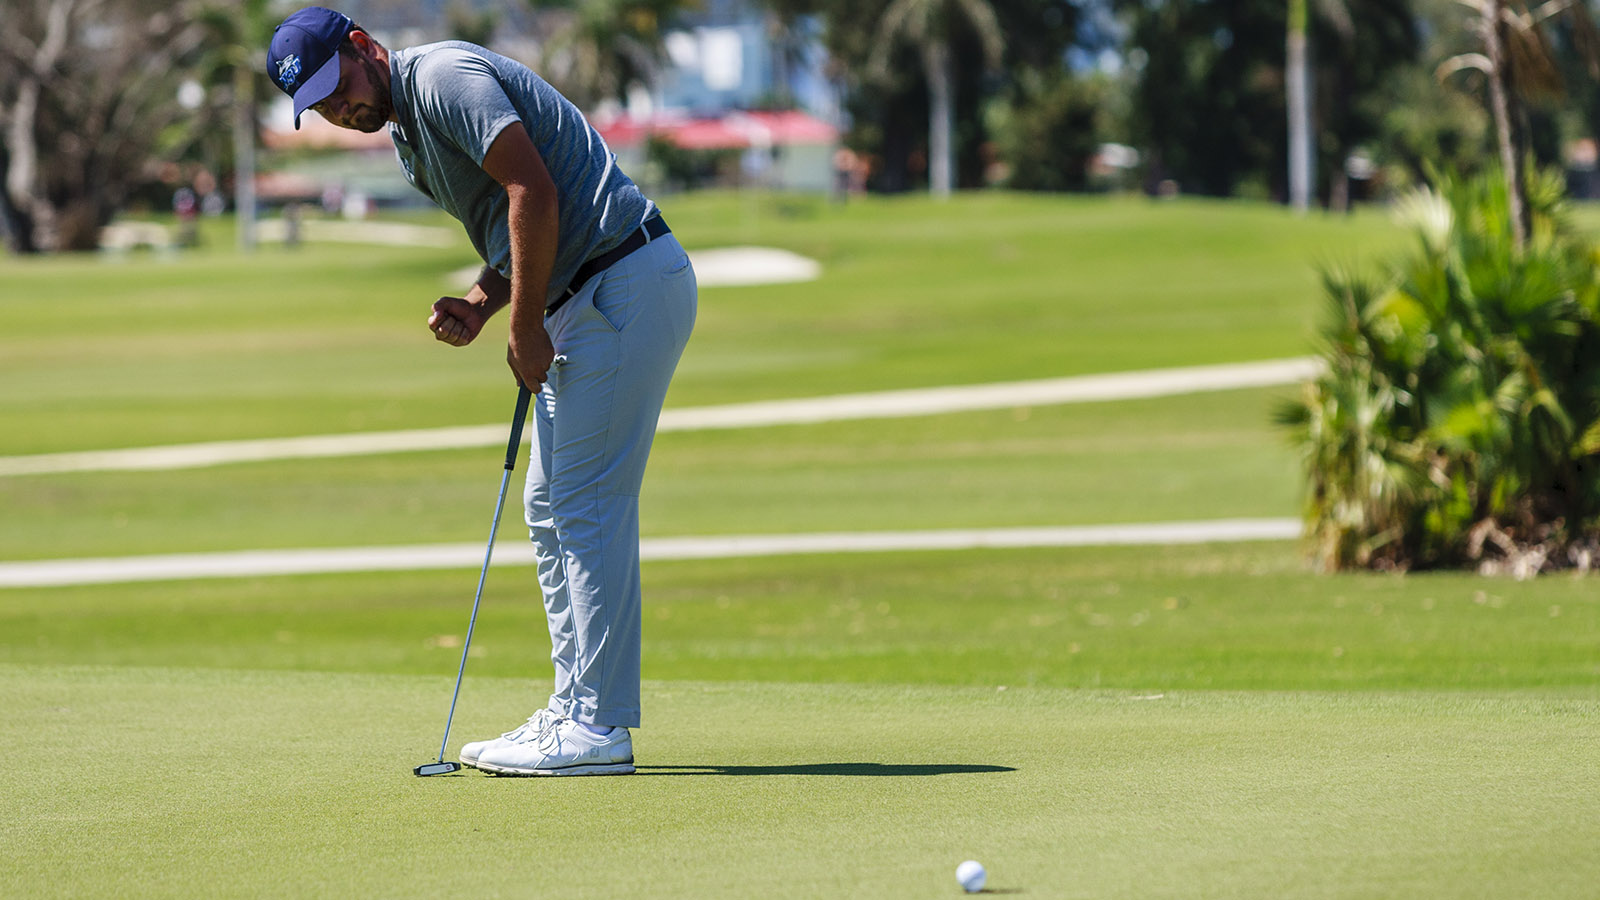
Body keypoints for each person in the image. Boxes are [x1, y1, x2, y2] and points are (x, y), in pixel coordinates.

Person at [267, 7, 697, 776]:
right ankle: (574, 706)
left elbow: (534, 189)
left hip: (619, 281)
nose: (340, 109)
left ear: (364, 46)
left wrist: (524, 327)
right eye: (322, 106)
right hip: (590, 292)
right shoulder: (408, 139)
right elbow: (513, 226)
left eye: (339, 87)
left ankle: (598, 725)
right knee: (550, 504)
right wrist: (482, 302)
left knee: (585, 503)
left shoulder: (442, 79)